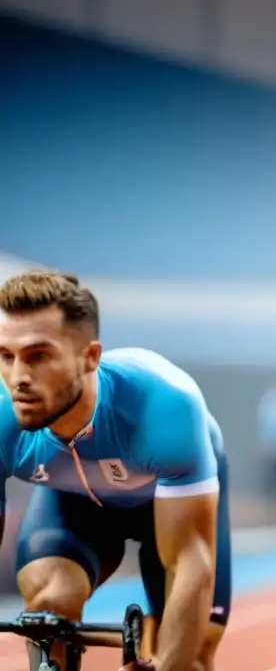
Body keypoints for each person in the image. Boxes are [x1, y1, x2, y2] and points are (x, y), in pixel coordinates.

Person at [0, 270, 232, 671]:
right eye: (6, 356)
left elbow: (191, 564)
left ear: (90, 357)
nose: (19, 378)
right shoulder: (4, 416)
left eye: (39, 356)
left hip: (169, 507)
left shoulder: (164, 407)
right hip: (74, 505)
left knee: (192, 655)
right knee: (48, 612)